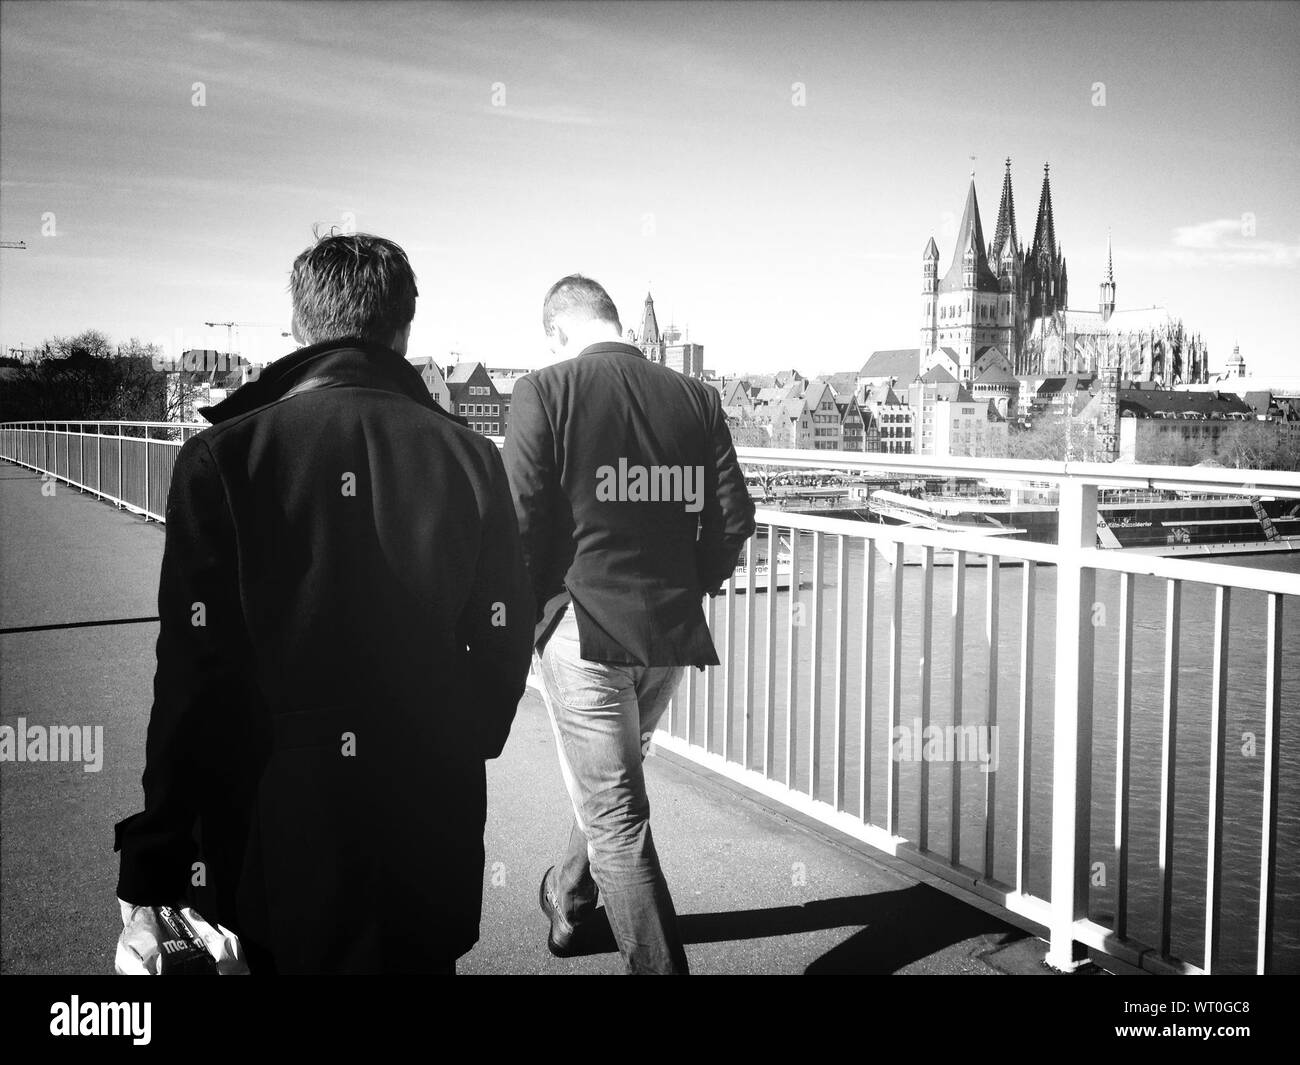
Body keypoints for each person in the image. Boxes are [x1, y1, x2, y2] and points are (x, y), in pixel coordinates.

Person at [113, 232, 534, 974]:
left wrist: (157, 852)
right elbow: (503, 634)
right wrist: (457, 734)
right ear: (403, 327)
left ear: (300, 327)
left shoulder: (224, 457)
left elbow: (191, 673)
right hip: (426, 811)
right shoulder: (470, 456)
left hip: (277, 813)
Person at [503, 275, 755, 974]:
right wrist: (688, 584)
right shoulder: (695, 398)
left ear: (557, 332)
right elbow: (734, 519)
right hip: (664, 635)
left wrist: (530, 621)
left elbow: (518, 527)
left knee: (616, 817)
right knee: (613, 785)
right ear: (616, 321)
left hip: (581, 629)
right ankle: (569, 900)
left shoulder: (544, 392)